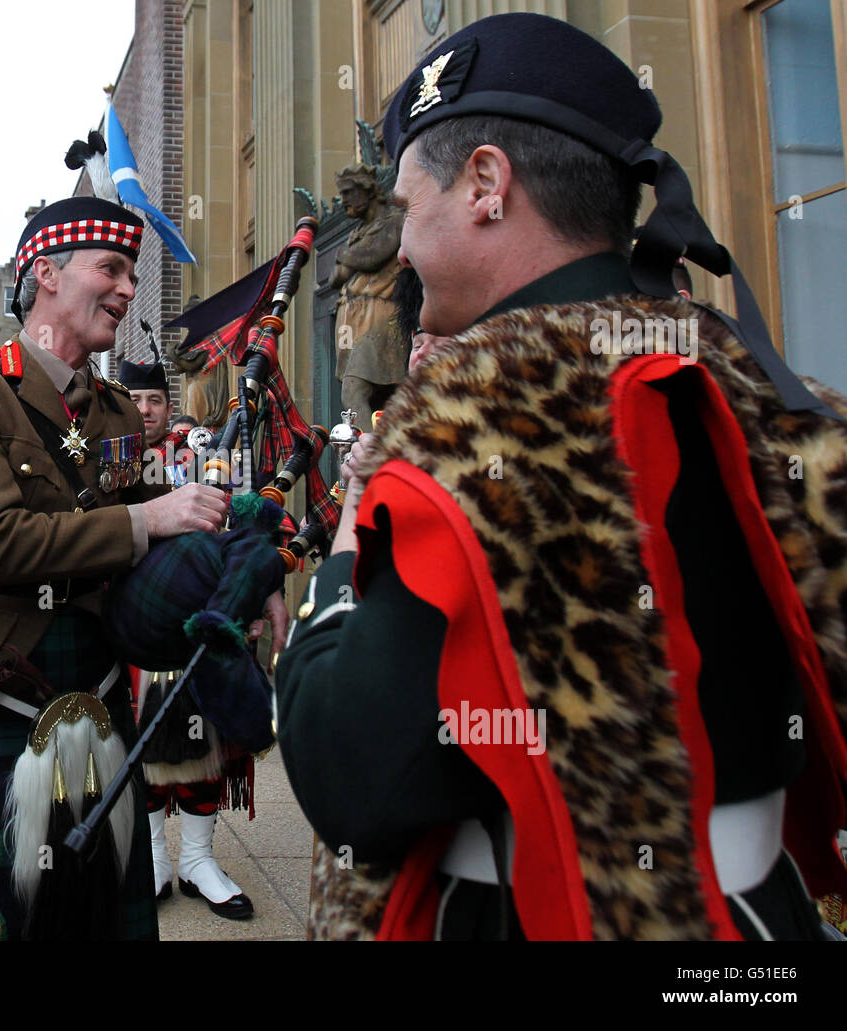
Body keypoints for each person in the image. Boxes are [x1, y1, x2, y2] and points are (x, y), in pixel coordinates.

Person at [276, 12, 847, 941]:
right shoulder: (772, 391)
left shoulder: (470, 411)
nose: (406, 246)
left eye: (411, 207)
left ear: (487, 186)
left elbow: (354, 776)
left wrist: (342, 558)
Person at [0, 196, 230, 939]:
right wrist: (149, 519)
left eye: (132, 273)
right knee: (17, 919)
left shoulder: (117, 411)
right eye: (113, 269)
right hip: (9, 696)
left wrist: (235, 539)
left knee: (110, 919)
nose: (129, 289)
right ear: (48, 275)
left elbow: (151, 518)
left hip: (102, 697)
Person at [120, 356, 255, 919]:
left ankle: (198, 859)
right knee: (146, 739)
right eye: (136, 401)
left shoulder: (202, 455)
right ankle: (153, 857)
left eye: (155, 400)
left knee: (211, 736)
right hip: (134, 626)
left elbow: (241, 519)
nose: (146, 410)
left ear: (169, 407)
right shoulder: (107, 460)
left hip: (202, 620)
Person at [327, 163, 406, 431]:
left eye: (349, 192)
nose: (343, 200)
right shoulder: (357, 233)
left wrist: (345, 256)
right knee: (379, 394)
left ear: (368, 190)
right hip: (351, 315)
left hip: (379, 312)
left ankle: (365, 459)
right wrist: (351, 259)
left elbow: (372, 258)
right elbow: (333, 278)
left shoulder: (394, 222)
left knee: (355, 390)